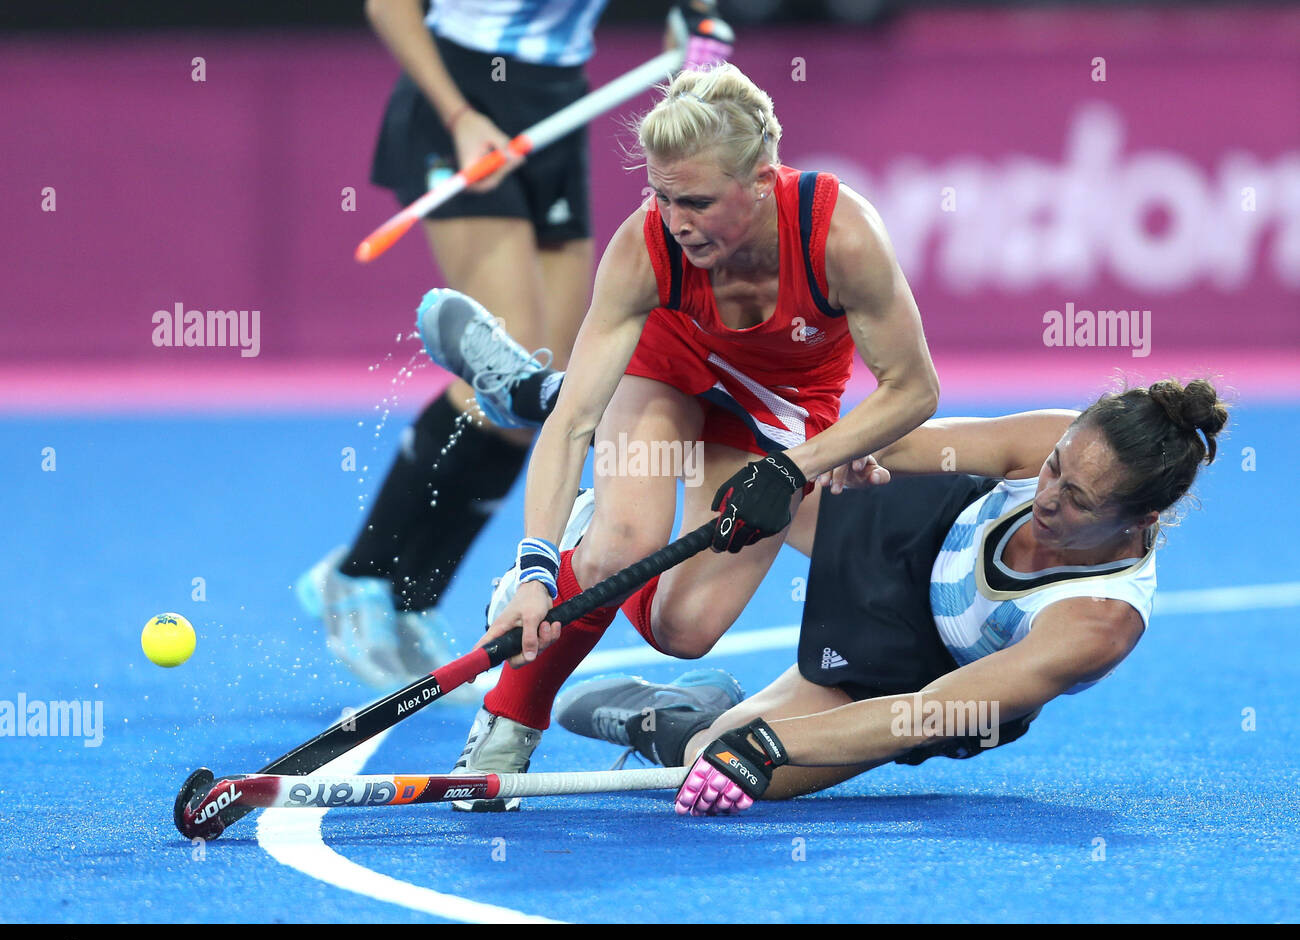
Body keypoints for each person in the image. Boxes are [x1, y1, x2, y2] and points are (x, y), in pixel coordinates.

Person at [442, 60, 941, 810]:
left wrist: (799, 464)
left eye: (699, 201)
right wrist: (540, 568)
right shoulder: (647, 244)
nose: (678, 220)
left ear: (764, 182)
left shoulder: (842, 234)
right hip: (668, 374)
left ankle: (563, 459)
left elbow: (916, 388)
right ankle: (509, 724)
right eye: (662, 195)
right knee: (622, 543)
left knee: (685, 630)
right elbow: (576, 422)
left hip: (776, 412)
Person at [294, 1, 726, 689]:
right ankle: (359, 575)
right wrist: (461, 117)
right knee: (508, 362)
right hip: (459, 97)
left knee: (545, 390)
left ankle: (411, 601)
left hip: (558, 103)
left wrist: (700, 23)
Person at [551, 380, 1230, 814]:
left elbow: (928, 713)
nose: (1047, 498)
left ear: (1139, 522)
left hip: (915, 673)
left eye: (1078, 500)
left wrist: (761, 742)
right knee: (751, 464)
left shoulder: (1101, 621)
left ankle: (677, 715)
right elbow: (921, 443)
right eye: (1053, 469)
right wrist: (865, 456)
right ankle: (563, 412)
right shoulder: (1063, 439)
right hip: (915, 526)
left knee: (715, 762)